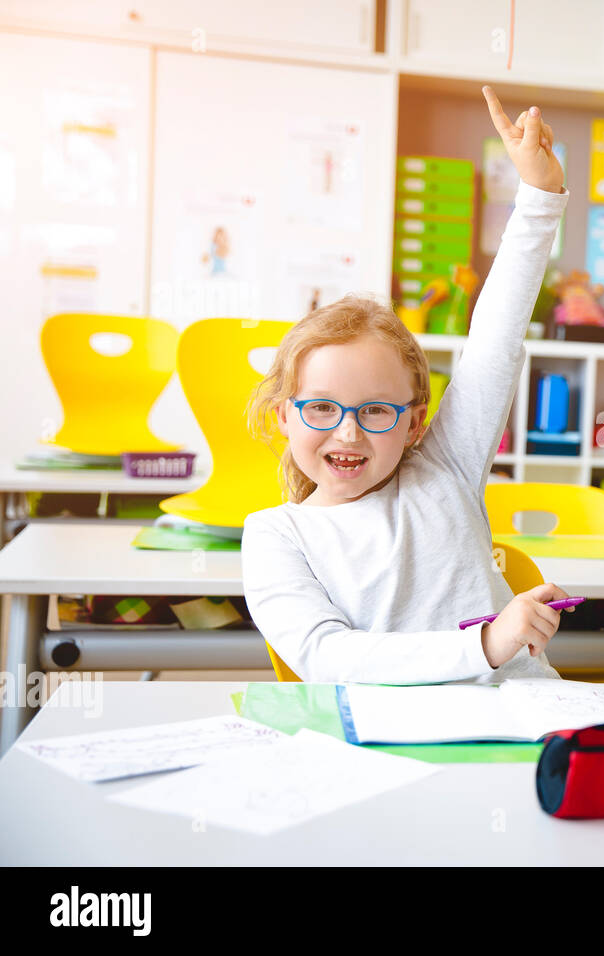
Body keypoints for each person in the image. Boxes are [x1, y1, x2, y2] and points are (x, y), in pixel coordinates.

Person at [241, 88, 571, 683]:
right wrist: (485, 646)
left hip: (525, 727)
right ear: (283, 415)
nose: (347, 432)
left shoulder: (444, 466)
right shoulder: (277, 535)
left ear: (416, 421)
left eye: (375, 412)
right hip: (391, 745)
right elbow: (326, 658)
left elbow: (494, 339)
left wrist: (539, 200)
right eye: (320, 407)